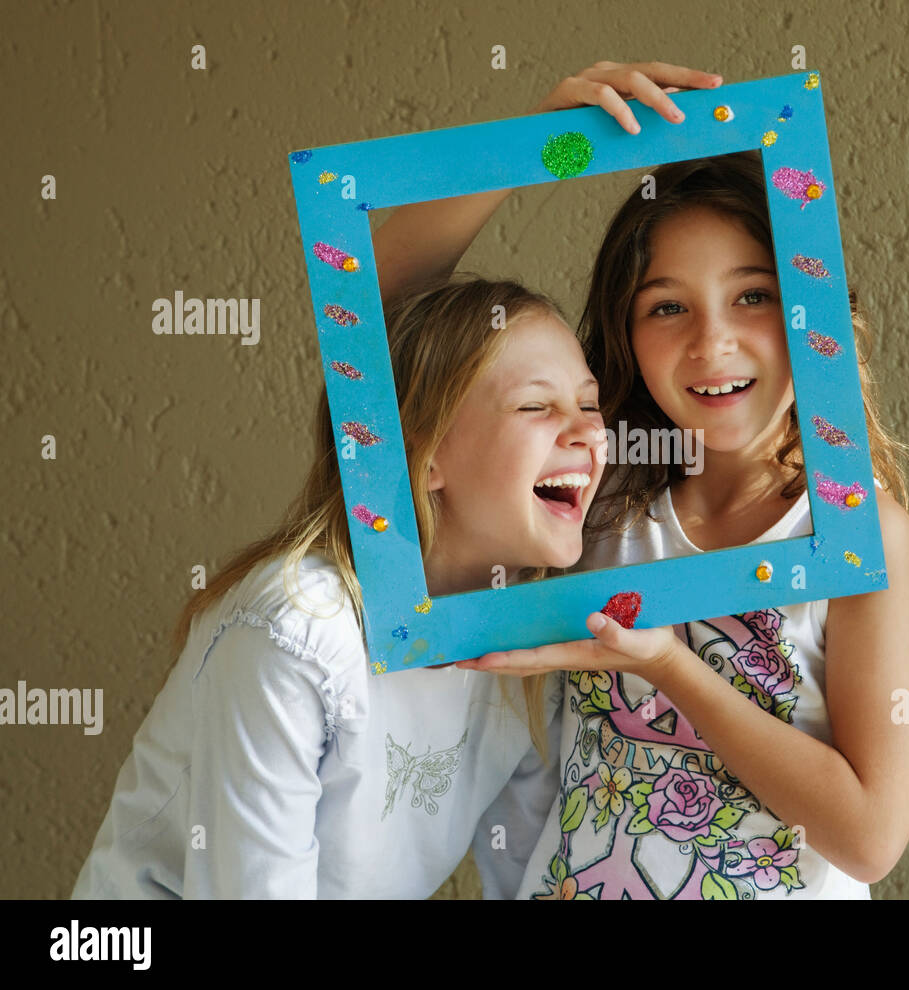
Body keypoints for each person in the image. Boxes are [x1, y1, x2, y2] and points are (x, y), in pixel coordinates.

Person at [449, 64, 909, 899]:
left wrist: (672, 667)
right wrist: (532, 148)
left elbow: (871, 835)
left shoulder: (857, 534)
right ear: (625, 333)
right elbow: (381, 356)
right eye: (667, 306)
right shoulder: (590, 504)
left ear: (812, 313)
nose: (713, 344)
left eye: (752, 296)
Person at [72, 276, 606, 898]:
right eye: (535, 406)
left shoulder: (534, 639)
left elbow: (530, 874)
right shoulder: (296, 628)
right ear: (424, 451)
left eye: (590, 404)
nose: (588, 432)